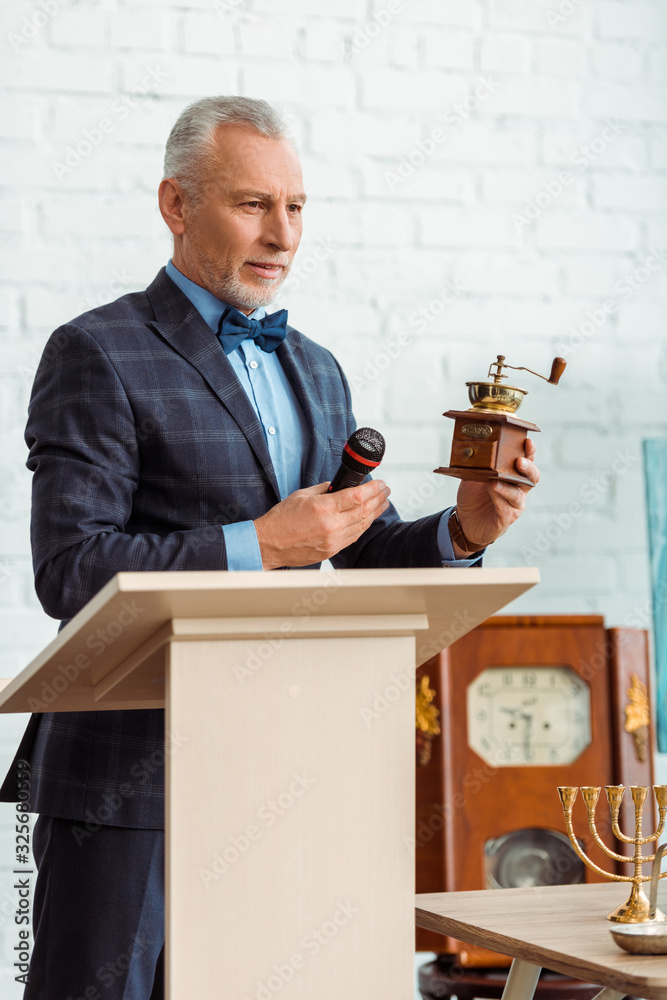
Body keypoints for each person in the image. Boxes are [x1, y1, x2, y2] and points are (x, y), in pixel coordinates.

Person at [1, 95, 539, 999]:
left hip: (291, 766)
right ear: (176, 205)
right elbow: (71, 568)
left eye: (295, 207)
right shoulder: (96, 351)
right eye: (252, 204)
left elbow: (356, 551)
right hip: (126, 785)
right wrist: (258, 544)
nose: (281, 233)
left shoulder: (317, 367)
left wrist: (463, 531)